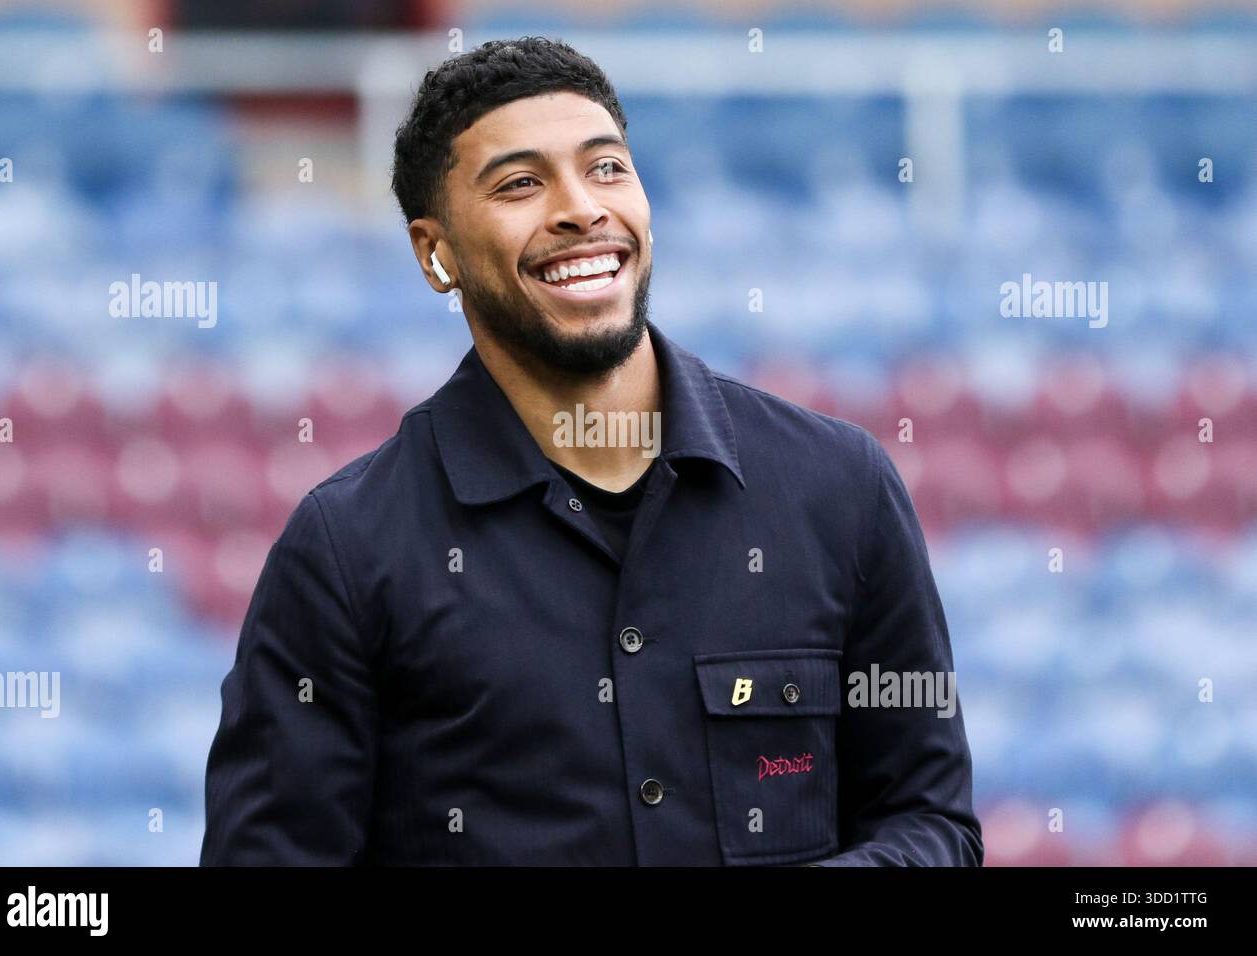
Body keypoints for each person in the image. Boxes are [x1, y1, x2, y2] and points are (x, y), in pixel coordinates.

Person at [200, 36, 984, 867]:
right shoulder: (346, 551)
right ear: (435, 254)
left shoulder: (841, 488)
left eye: (607, 168)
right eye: (520, 184)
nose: (581, 207)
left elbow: (932, 825)